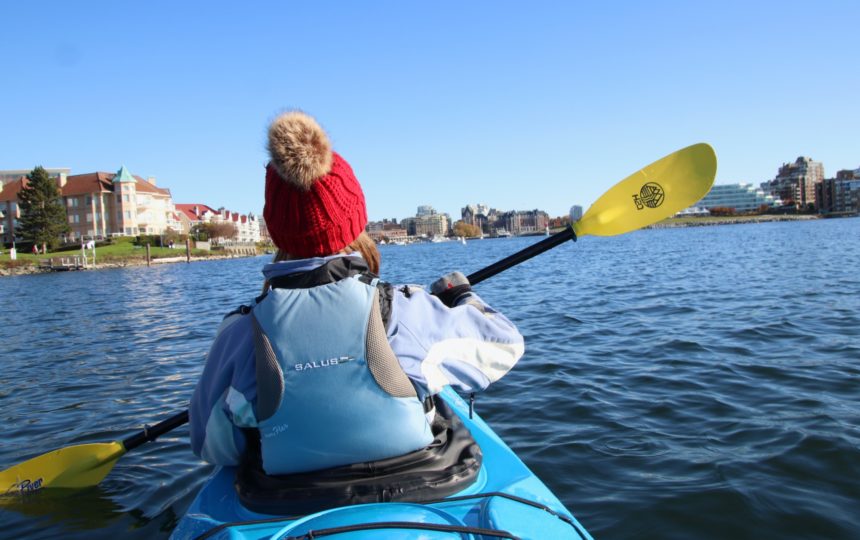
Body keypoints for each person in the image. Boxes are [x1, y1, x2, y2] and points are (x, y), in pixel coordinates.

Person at [189, 111, 524, 478]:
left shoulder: (239, 334)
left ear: (276, 228)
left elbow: (210, 446)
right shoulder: (405, 311)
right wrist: (461, 297)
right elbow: (506, 345)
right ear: (356, 218)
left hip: (283, 498)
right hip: (416, 478)